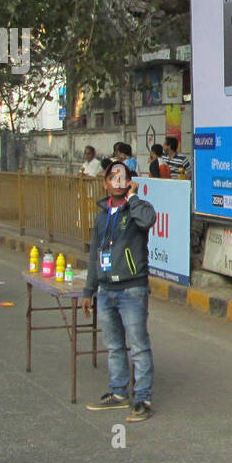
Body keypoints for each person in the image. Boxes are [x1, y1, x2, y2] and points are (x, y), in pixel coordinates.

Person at [82, 161, 155, 421]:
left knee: (137, 345)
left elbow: (148, 221)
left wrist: (133, 196)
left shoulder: (137, 209)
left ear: (128, 182)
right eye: (111, 177)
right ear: (104, 183)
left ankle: (143, 398)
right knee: (113, 346)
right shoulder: (102, 215)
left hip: (132, 289)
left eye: (121, 177)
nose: (116, 181)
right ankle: (118, 392)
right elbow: (94, 254)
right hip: (105, 290)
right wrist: (88, 290)